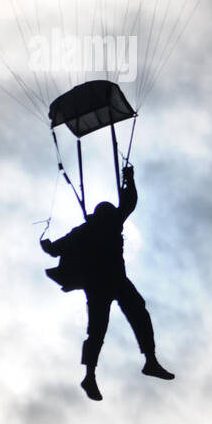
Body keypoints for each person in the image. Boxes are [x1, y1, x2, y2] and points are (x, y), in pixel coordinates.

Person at [40, 163, 174, 401]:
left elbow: (128, 203)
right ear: (104, 214)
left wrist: (129, 180)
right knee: (102, 328)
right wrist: (129, 180)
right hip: (102, 283)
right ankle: (93, 375)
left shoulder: (93, 228)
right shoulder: (95, 228)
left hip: (111, 281)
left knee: (129, 316)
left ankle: (147, 361)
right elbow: (128, 204)